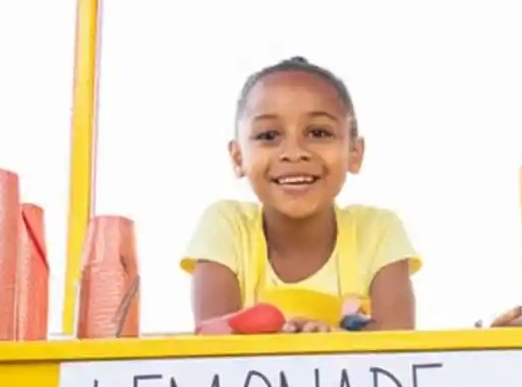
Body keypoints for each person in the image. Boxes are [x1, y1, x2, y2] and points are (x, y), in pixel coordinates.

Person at [180, 56, 421, 333]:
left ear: (354, 153)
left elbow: (399, 347)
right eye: (269, 136)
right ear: (238, 158)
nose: (294, 153)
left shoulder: (378, 232)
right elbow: (213, 342)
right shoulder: (227, 227)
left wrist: (329, 342)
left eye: (318, 132)